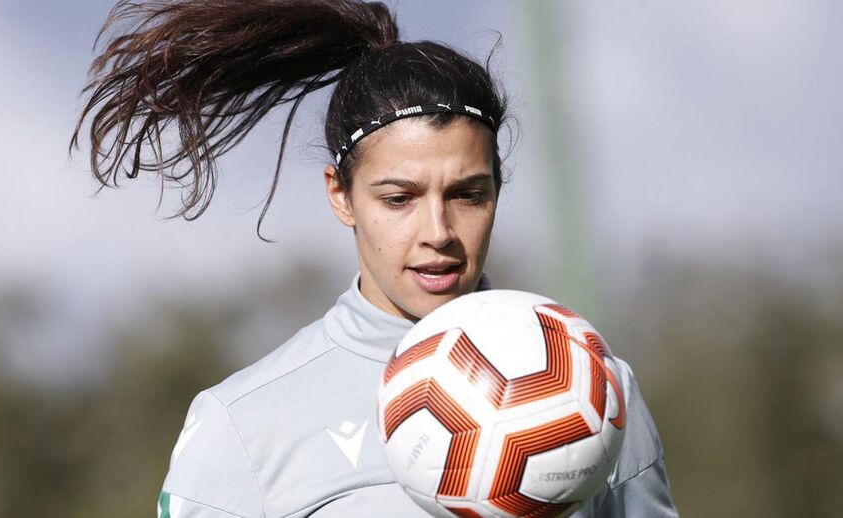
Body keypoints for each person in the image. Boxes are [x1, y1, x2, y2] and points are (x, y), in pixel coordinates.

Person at [73, 1, 678, 516]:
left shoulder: (595, 389)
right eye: (399, 198)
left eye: (469, 194)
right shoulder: (242, 423)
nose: (437, 231)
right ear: (341, 194)